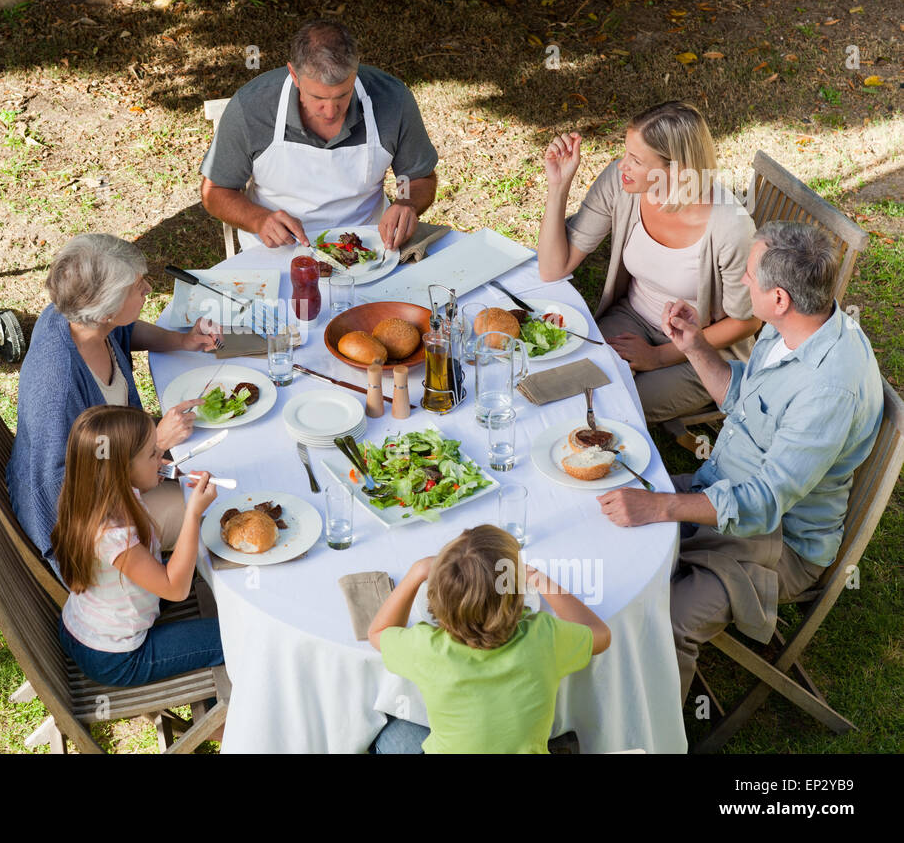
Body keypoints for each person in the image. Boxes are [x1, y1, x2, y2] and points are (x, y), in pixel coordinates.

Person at [596, 222, 884, 703]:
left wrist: (661, 507)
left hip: (776, 546)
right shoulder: (791, 328)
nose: (743, 283)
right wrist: (694, 346)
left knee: (664, 621)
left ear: (780, 299)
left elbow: (765, 503)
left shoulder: (829, 390)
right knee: (602, 511)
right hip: (722, 486)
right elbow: (746, 399)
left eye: (751, 277)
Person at [6, 234, 220, 581]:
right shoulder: (58, 389)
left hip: (124, 468)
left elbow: (123, 332)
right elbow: (69, 494)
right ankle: (214, 606)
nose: (149, 288)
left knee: (220, 461)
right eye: (139, 286)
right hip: (89, 525)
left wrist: (181, 340)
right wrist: (157, 445)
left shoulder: (78, 317)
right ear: (106, 310)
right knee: (219, 507)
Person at [538, 101, 762, 424]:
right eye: (626, 153)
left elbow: (747, 322)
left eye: (636, 160)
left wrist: (657, 357)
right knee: (571, 378)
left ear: (676, 171)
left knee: (609, 408)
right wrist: (558, 187)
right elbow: (552, 268)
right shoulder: (622, 186)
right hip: (633, 320)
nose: (621, 166)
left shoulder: (730, 227)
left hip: (703, 350)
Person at [200, 18, 439, 252]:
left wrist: (406, 202)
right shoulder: (251, 108)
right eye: (318, 99)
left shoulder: (393, 100)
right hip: (276, 252)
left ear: (355, 72)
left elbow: (418, 178)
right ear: (294, 75)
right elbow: (216, 191)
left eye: (342, 96)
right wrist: (258, 219)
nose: (330, 112)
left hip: (369, 248)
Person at [367, 526, 611, 754]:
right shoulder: (545, 636)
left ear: (436, 599)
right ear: (517, 594)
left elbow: (377, 632)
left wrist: (416, 572)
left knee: (386, 725)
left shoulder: (426, 647)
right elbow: (601, 635)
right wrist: (538, 578)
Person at [53, 406, 224, 686]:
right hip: (118, 658)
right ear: (122, 469)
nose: (162, 458)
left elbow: (150, 474)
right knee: (237, 634)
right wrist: (192, 514)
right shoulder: (114, 535)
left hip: (86, 626)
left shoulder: (96, 497)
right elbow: (176, 589)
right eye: (153, 454)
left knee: (208, 560)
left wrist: (176, 473)